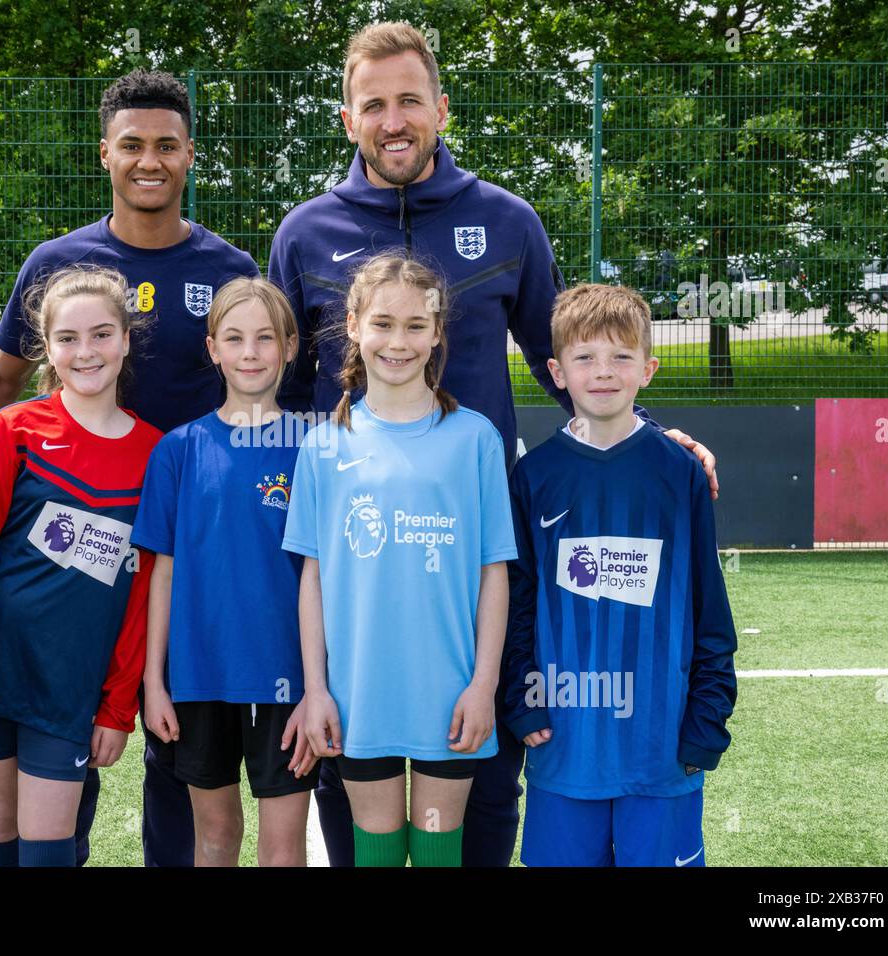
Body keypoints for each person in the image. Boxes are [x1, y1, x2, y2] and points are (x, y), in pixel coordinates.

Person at [268, 19, 720, 868]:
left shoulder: (506, 221)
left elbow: (567, 363)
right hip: (356, 549)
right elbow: (290, 391)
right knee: (355, 789)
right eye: (374, 104)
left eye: (409, 100)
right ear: (347, 119)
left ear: (440, 106)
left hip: (474, 531)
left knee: (482, 770)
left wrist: (654, 438)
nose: (393, 119)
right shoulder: (303, 232)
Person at [0, 69, 261, 866]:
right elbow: (1, 380)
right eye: (132, 144)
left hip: (182, 550)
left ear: (190, 156)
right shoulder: (56, 264)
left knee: (174, 744)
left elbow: (259, 385)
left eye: (167, 145)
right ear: (105, 152)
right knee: (57, 769)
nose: (150, 160)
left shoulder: (229, 267)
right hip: (66, 561)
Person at [0, 265, 161, 867]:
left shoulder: (158, 452)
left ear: (127, 339)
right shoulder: (12, 429)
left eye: (102, 334)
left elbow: (142, 593)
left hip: (69, 687)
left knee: (48, 850)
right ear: (46, 347)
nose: (86, 352)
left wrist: (116, 706)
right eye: (68, 339)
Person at [282, 253, 516, 867]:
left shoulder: (476, 439)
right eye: (383, 323)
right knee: (377, 855)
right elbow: (313, 580)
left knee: (439, 852)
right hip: (360, 697)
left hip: (451, 697)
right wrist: (317, 690)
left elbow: (495, 573)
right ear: (354, 325)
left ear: (438, 333)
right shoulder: (324, 444)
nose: (399, 341)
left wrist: (484, 684)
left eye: (417, 325)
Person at [501, 283, 737, 866]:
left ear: (648, 369)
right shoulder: (534, 475)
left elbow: (709, 605)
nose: (602, 372)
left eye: (620, 357)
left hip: (660, 753)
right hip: (564, 748)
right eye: (584, 358)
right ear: (556, 371)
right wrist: (524, 701)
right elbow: (517, 601)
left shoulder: (678, 471)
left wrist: (706, 720)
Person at [133, 277, 320, 866]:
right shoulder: (178, 450)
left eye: (266, 338)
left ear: (291, 346)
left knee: (283, 843)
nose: (250, 352)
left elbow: (327, 575)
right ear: (212, 348)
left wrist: (320, 686)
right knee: (214, 837)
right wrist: (154, 681)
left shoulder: (316, 446)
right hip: (199, 677)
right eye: (235, 338)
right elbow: (161, 573)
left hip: (287, 677)